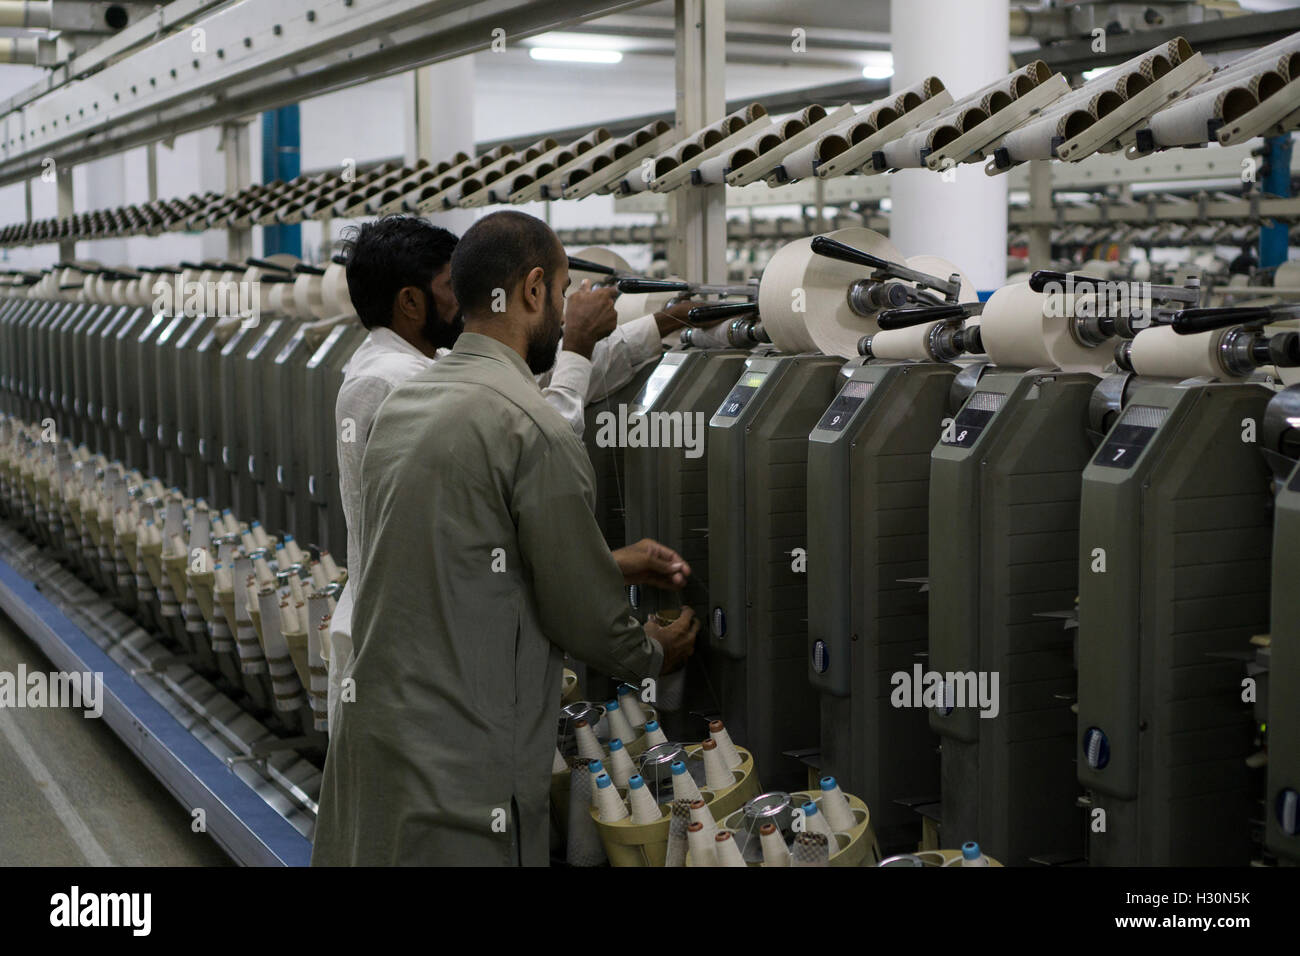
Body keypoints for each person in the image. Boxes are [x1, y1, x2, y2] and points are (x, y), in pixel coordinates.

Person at [311, 210, 701, 865]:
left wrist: (655, 326)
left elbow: (464, 541)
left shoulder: (418, 395)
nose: (565, 306)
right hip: (457, 745)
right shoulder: (512, 421)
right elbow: (580, 610)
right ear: (531, 291)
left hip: (386, 718)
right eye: (562, 286)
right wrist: (649, 652)